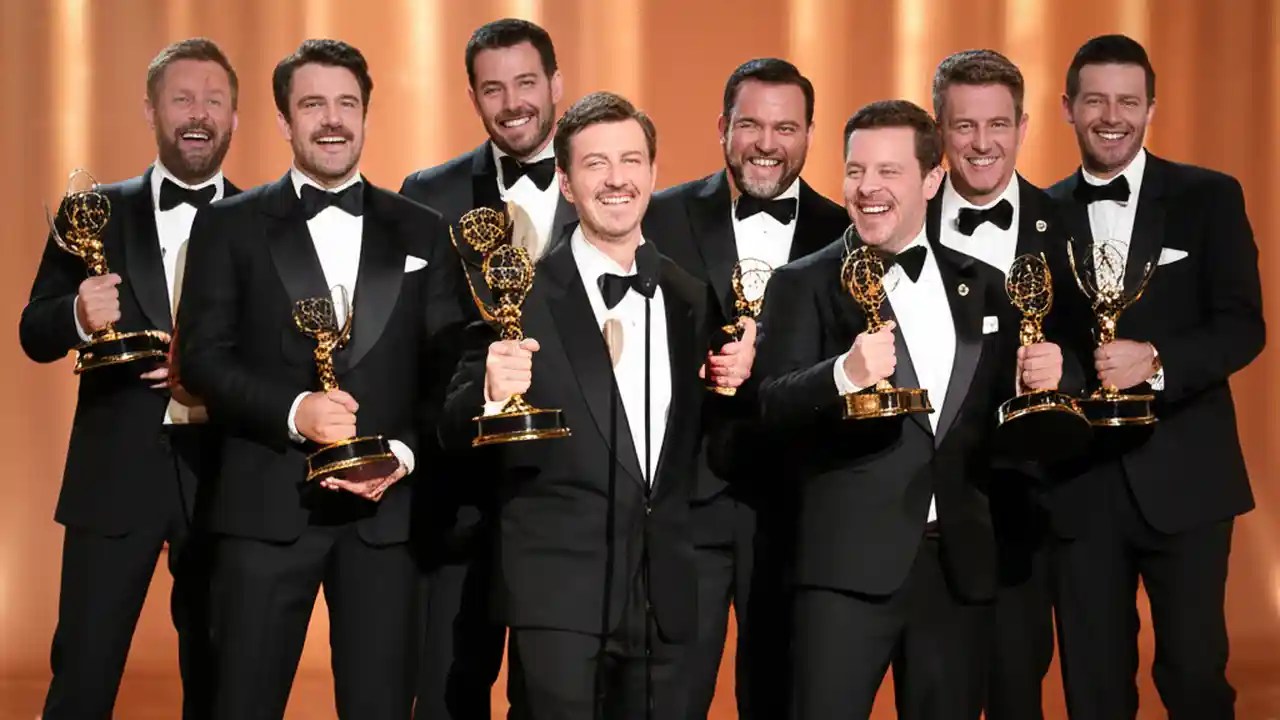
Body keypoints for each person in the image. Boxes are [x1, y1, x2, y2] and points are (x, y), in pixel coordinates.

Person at [176, 39, 467, 719]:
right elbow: (203, 359)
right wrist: (294, 410)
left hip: (386, 522)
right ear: (284, 120)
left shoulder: (422, 228)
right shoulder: (227, 225)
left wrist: (402, 453)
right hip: (262, 510)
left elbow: (449, 367)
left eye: (346, 104)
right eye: (313, 105)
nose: (332, 120)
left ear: (365, 114)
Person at [441, 91, 756, 719]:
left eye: (631, 160)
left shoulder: (690, 296)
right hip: (558, 598)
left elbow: (711, 436)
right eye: (596, 164)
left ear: (653, 172)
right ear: (566, 182)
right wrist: (489, 393)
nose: (617, 179)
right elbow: (451, 427)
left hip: (666, 597)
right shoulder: (522, 295)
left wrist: (737, 380)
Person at [753, 99, 1064, 720]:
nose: (867, 187)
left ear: (931, 179)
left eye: (888, 171)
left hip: (956, 568)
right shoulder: (801, 283)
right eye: (855, 170)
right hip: (844, 571)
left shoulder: (985, 285)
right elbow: (770, 406)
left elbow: (999, 414)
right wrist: (843, 374)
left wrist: (1050, 377)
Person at [19, 37, 240, 720]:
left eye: (213, 100)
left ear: (234, 116)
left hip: (227, 483)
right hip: (112, 479)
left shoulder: (267, 219)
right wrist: (77, 314)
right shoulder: (94, 212)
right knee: (82, 680)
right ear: (151, 109)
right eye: (182, 99)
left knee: (221, 684)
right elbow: (33, 331)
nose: (198, 114)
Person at [1046, 34, 1264, 720]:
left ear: (1151, 109)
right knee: (1094, 690)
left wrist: (1158, 360)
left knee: (1195, 678)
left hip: (1189, 479)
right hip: (1080, 487)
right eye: (1096, 101)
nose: (1112, 116)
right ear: (1067, 108)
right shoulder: (1041, 213)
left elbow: (1243, 326)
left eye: (1128, 102)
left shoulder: (1209, 197)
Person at [397, 19, 572, 717]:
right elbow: (412, 345)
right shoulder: (428, 192)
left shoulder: (601, 178)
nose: (513, 103)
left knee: (551, 698)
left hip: (566, 496)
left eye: (527, 83)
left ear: (556, 85)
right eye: (493, 88)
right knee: (448, 694)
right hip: (457, 497)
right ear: (472, 97)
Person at [930, 48, 1080, 720]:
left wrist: (1064, 370)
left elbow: (1095, 345)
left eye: (997, 124)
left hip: (1027, 503)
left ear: (1023, 127)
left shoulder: (1067, 223)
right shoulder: (899, 221)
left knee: (1018, 690)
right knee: (934, 696)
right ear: (939, 128)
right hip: (924, 510)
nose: (982, 143)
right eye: (964, 125)